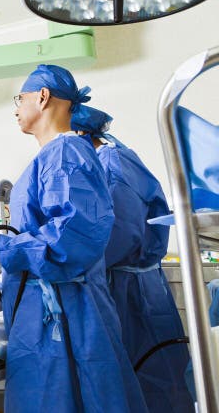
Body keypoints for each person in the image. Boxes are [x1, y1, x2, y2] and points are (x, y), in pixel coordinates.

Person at [0, 64, 147, 412]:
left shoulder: (67, 154)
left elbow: (72, 238)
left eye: (20, 99)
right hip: (45, 311)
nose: (16, 109)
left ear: (42, 97)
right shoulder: (49, 158)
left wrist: (2, 249)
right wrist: (5, 295)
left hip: (67, 316)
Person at [71, 104, 192, 413]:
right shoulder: (112, 158)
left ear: (78, 133)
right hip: (136, 288)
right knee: (156, 378)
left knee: (148, 381)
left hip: (131, 294)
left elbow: (110, 240)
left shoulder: (111, 168)